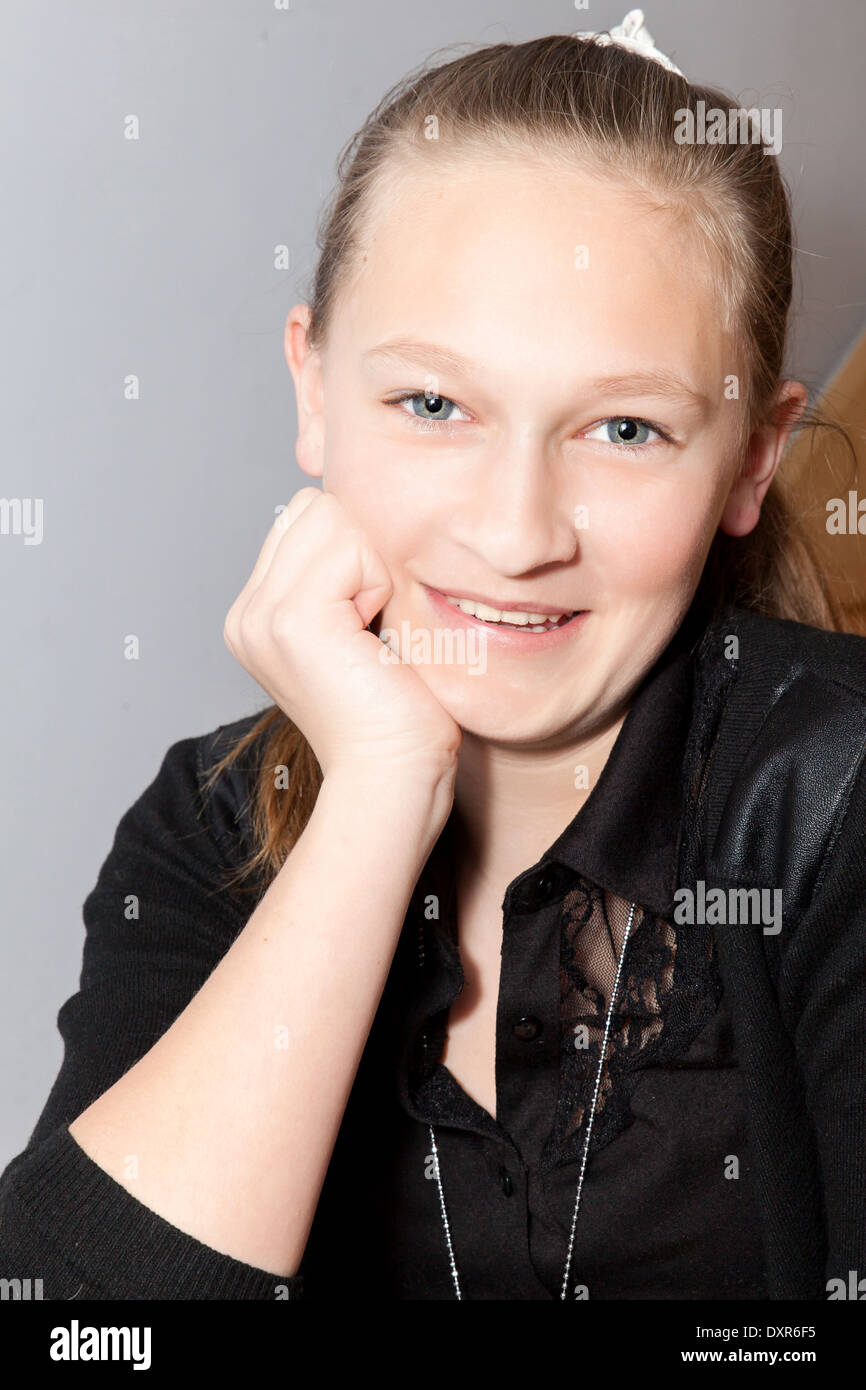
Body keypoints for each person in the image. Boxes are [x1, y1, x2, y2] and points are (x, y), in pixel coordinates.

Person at [2, 12, 865, 1301]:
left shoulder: (835, 798)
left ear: (752, 456)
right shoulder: (201, 828)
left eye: (625, 426)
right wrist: (383, 792)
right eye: (434, 405)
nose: (515, 535)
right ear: (311, 389)